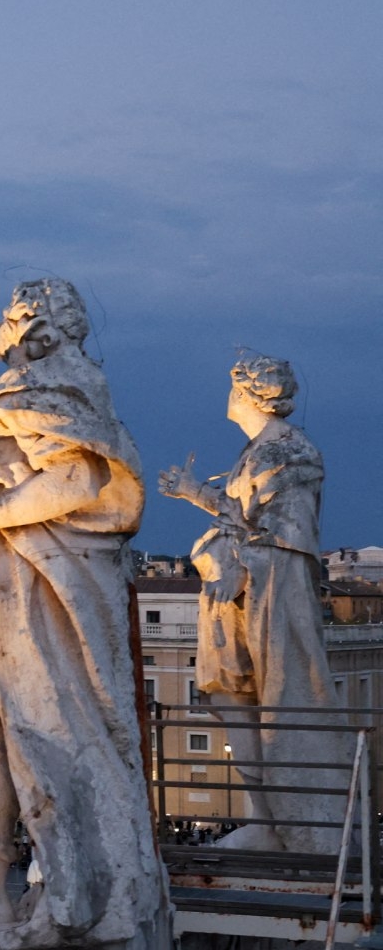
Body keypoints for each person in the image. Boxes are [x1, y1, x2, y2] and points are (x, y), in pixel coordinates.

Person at [0, 279, 167, 950]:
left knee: (42, 734)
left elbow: (79, 481)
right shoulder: (13, 395)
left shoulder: (68, 386)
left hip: (49, 596)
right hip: (1, 581)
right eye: (6, 313)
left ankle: (69, 888)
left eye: (18, 315)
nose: (6, 326)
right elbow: (6, 474)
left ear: (45, 324)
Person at [158, 353, 350, 853]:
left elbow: (288, 533)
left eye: (232, 386)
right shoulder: (255, 452)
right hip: (237, 594)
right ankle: (265, 820)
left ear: (245, 394)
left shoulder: (290, 450)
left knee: (276, 696)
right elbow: (247, 520)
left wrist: (241, 561)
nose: (227, 394)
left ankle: (288, 825)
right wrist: (196, 495)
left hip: (269, 593)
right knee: (232, 697)